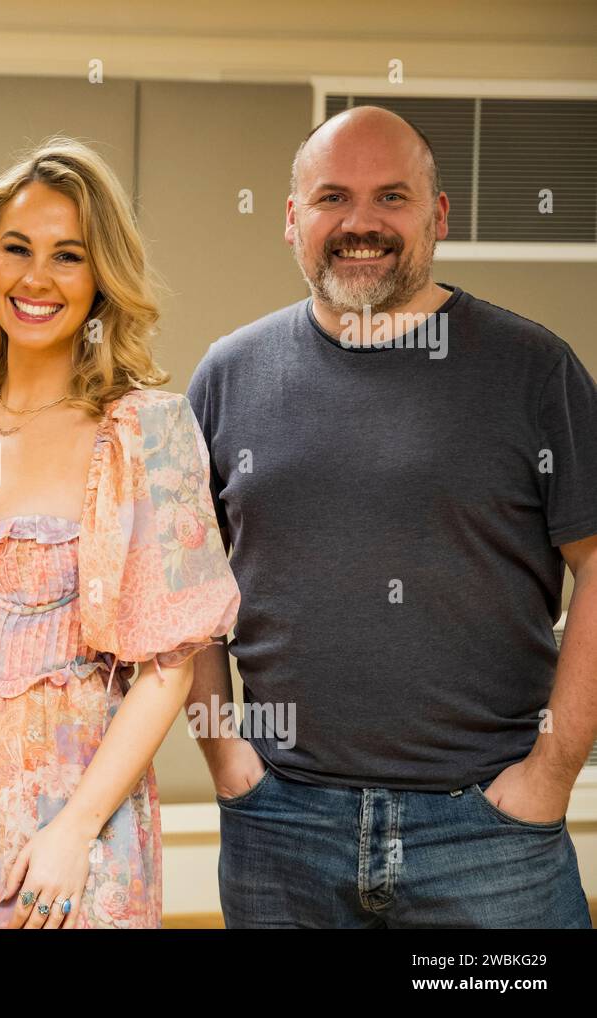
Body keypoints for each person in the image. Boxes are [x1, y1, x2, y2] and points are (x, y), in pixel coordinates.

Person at [187, 105, 596, 928]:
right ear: (293, 218)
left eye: (392, 197)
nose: (360, 223)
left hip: (488, 835)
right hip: (281, 830)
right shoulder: (227, 376)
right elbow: (186, 583)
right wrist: (225, 756)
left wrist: (552, 774)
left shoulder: (533, 369)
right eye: (333, 197)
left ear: (438, 215)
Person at [0, 138, 240, 928]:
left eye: (67, 256)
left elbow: (171, 667)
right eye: (17, 248)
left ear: (102, 277)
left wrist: (75, 828)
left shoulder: (149, 429)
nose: (35, 277)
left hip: (62, 796)